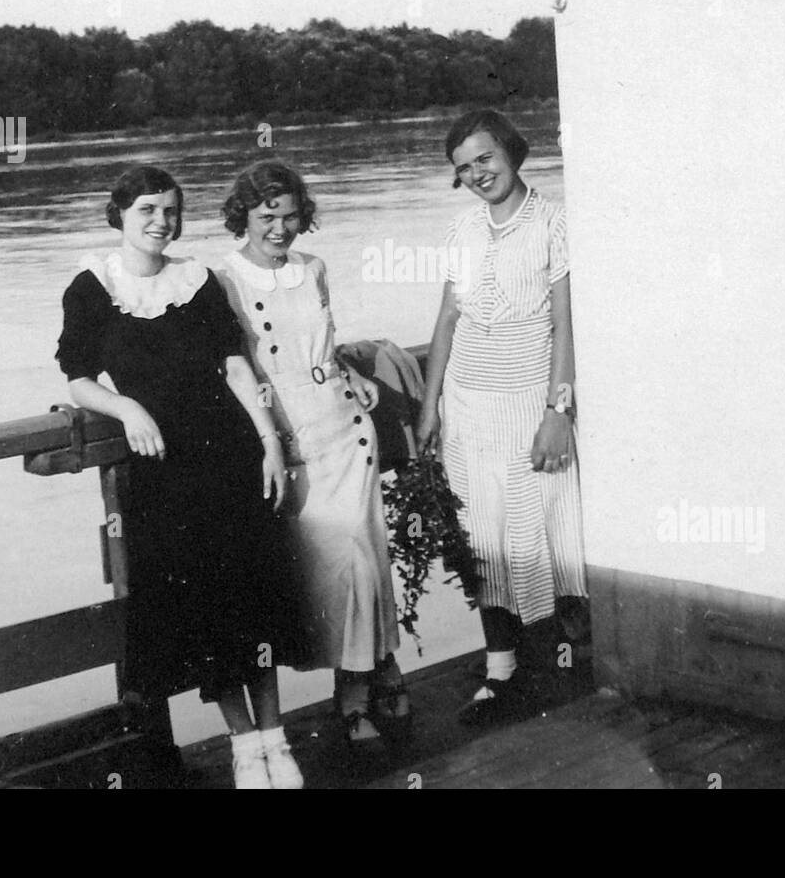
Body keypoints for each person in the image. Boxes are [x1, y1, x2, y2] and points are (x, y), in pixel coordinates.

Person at [55, 164, 304, 789]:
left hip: (230, 456)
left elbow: (236, 366)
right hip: (164, 472)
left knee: (252, 592)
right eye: (146, 210)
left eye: (169, 209)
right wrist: (125, 406)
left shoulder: (197, 281)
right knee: (201, 606)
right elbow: (78, 376)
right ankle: (244, 746)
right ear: (119, 215)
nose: (160, 221)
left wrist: (271, 442)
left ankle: (277, 739)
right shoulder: (91, 287)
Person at [215, 160, 409, 747]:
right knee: (332, 570)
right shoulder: (224, 278)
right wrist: (271, 437)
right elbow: (236, 368)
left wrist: (353, 369)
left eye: (290, 213)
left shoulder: (314, 267)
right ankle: (371, 672)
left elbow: (324, 339)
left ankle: (355, 696)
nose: (279, 226)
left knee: (366, 559)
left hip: (347, 425)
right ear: (243, 216)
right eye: (266, 213)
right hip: (294, 435)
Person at [416, 109, 588, 725]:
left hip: (527, 406)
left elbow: (565, 326)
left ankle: (561, 665)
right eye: (464, 168)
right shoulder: (462, 230)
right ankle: (500, 671)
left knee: (544, 532)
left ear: (511, 152)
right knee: (482, 541)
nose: (477, 174)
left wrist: (557, 412)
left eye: (484, 158)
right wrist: (429, 404)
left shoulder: (554, 223)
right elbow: (446, 321)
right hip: (467, 409)